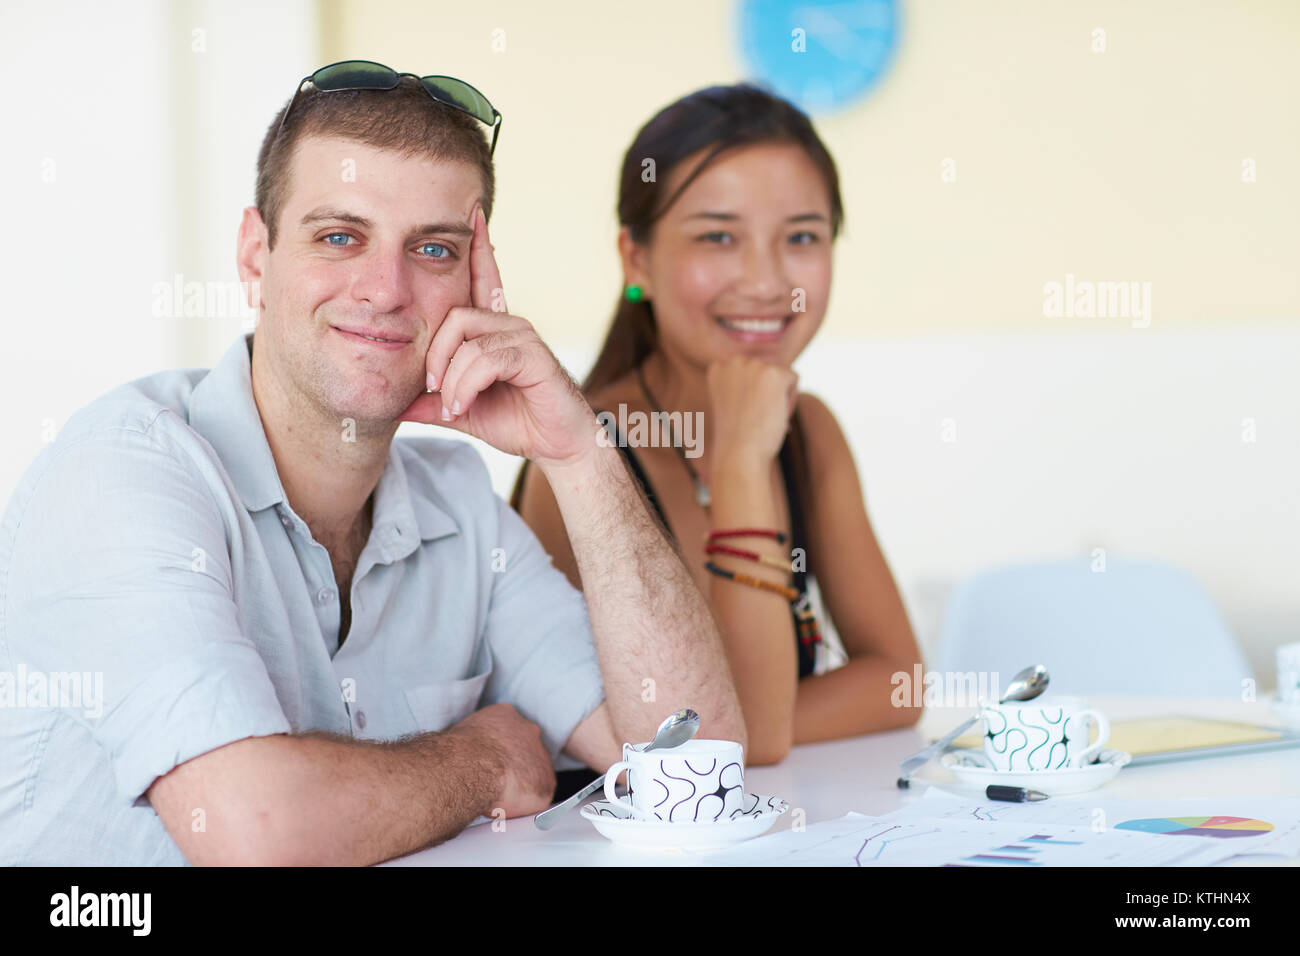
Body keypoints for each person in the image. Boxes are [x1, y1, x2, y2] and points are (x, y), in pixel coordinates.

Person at [0, 61, 745, 866]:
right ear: (256, 256)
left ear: (472, 281)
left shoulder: (459, 506)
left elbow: (698, 765)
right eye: (340, 237)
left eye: (431, 248)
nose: (385, 290)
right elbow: (256, 834)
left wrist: (578, 452)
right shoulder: (119, 476)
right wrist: (481, 760)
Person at [513, 84, 923, 765]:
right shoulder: (579, 456)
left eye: (801, 237)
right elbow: (737, 740)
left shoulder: (810, 432)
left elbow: (898, 681)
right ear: (636, 258)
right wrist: (738, 463)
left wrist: (771, 720)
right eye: (719, 237)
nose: (765, 280)